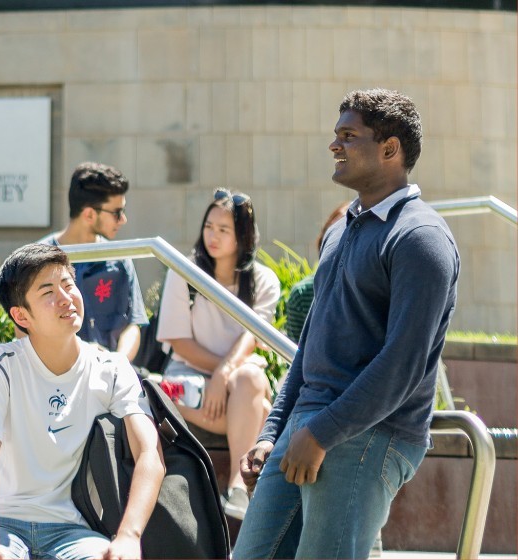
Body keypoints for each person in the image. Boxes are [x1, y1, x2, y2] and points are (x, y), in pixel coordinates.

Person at [234, 89, 459, 559]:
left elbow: (403, 363)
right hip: (306, 428)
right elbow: (312, 345)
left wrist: (322, 433)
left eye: (348, 136)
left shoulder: (421, 237)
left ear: (390, 149)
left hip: (368, 433)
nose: (334, 146)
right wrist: (272, 432)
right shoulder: (340, 230)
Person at [0, 243, 163, 560]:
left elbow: (149, 452)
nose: (66, 298)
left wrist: (128, 536)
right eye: (48, 291)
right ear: (21, 315)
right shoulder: (0, 365)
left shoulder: (112, 368)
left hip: (72, 530)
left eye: (68, 284)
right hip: (1, 524)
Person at [155, 188, 280, 520]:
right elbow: (179, 342)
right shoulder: (185, 272)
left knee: (249, 376)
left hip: (240, 378)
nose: (213, 236)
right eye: (209, 226)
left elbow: (254, 334)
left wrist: (224, 375)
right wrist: (219, 377)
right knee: (260, 407)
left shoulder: (264, 280)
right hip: (188, 380)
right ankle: (244, 489)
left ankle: (237, 485)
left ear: (243, 236)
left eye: (224, 230)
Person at [38, 162, 148, 360]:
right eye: (116, 213)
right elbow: (25, 330)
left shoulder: (120, 259)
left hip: (109, 379)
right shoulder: (39, 259)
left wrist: (117, 364)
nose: (123, 220)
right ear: (89, 214)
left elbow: (133, 324)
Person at [282, 202, 349, 342]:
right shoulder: (303, 294)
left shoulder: (379, 290)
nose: (340, 244)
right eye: (334, 235)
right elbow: (295, 356)